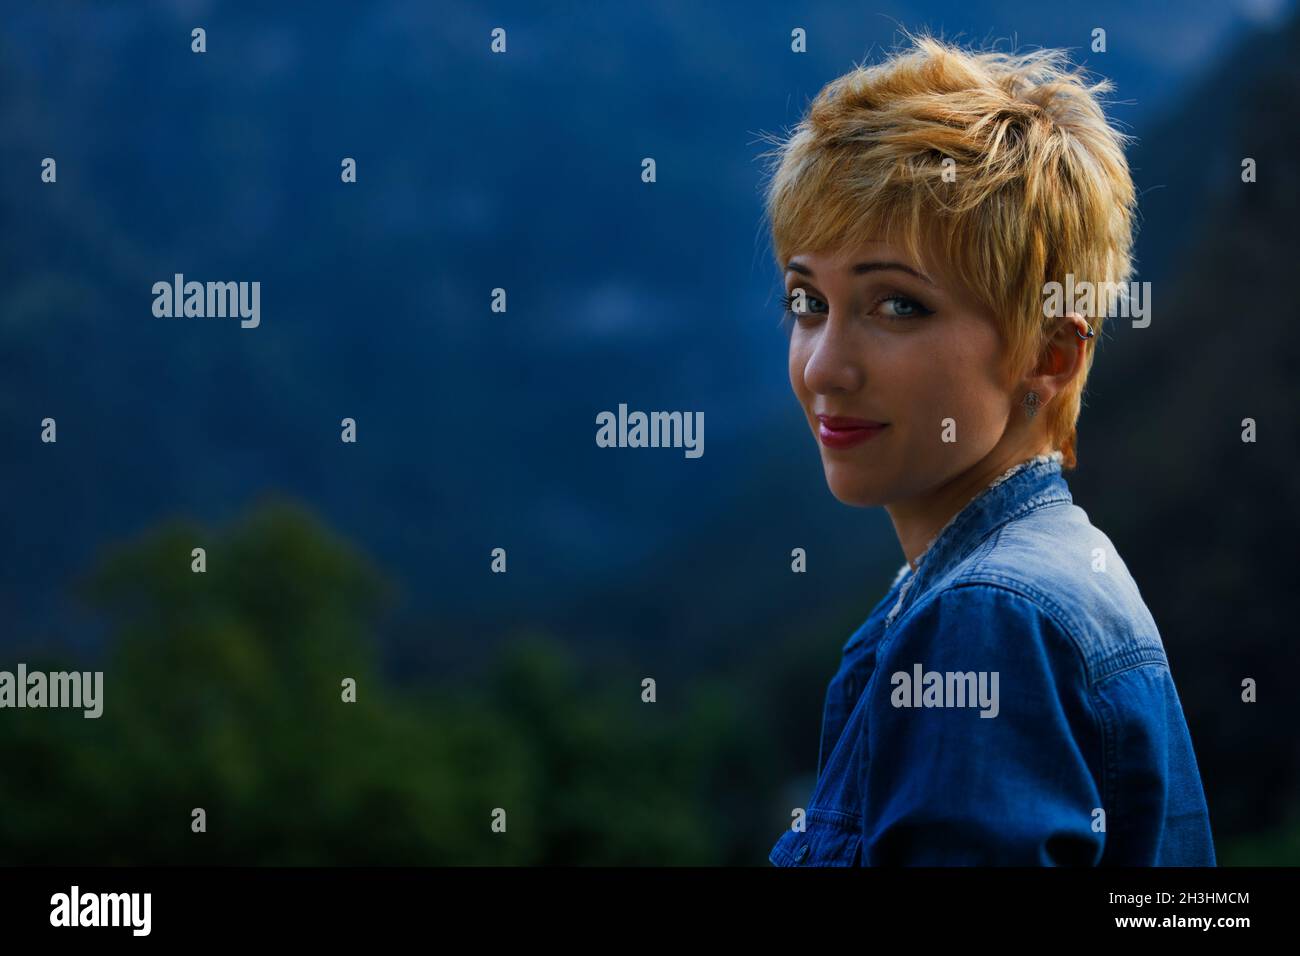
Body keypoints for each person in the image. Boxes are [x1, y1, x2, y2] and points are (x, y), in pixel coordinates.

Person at [760, 33, 1215, 865]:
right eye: (807, 300)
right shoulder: (1029, 583)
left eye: (897, 306)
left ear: (1051, 354)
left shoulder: (991, 618)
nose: (824, 366)